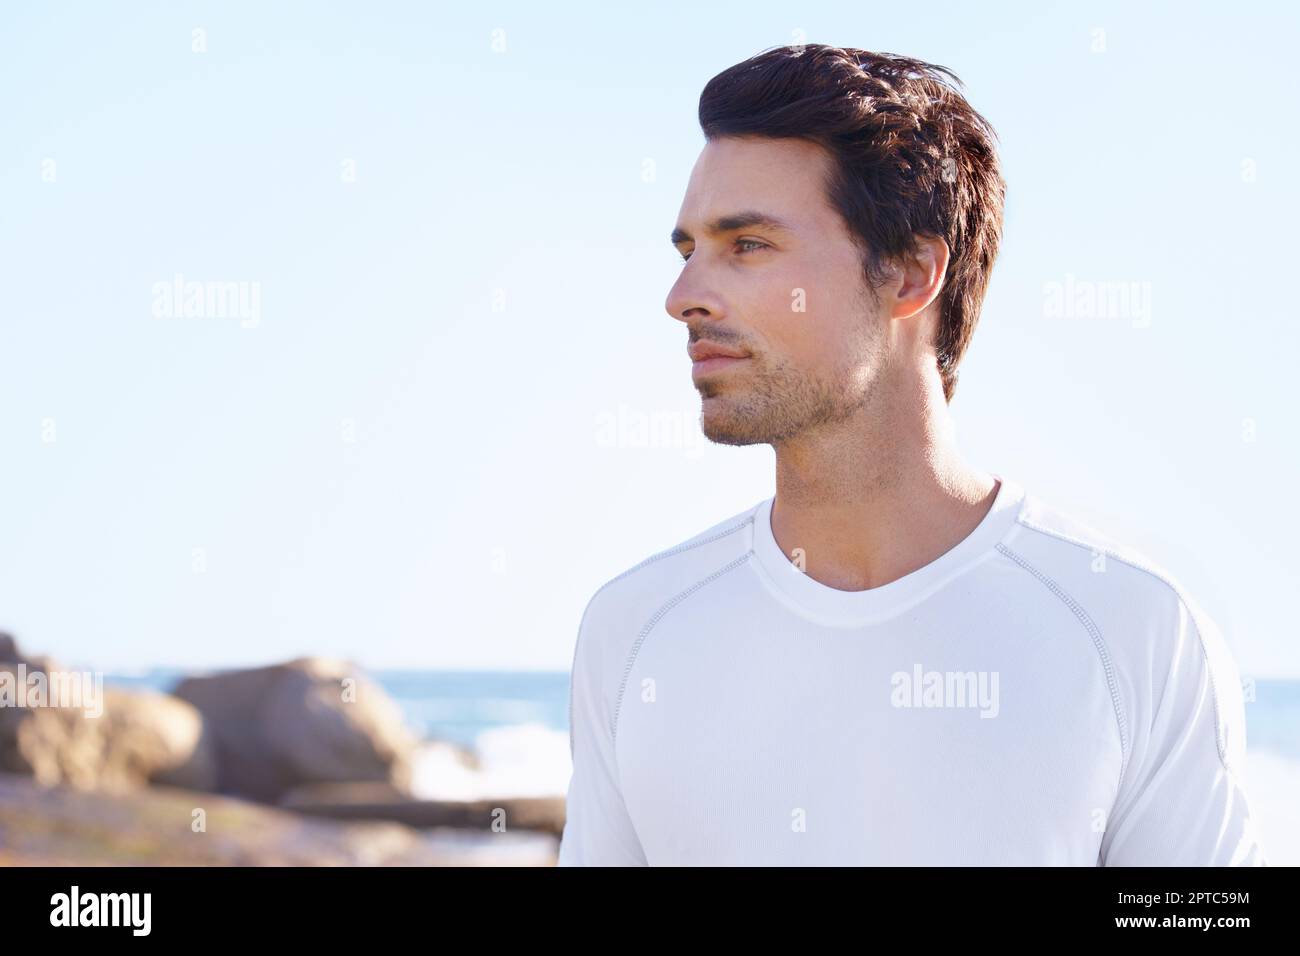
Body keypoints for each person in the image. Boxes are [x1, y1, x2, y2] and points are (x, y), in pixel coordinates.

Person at [556, 44, 1267, 866]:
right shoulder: (635, 632)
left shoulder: (1135, 632)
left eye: (747, 244)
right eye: (688, 252)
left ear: (909, 273)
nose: (683, 298)